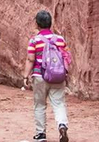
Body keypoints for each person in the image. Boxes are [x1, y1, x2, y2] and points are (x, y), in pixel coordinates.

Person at [23, 10, 71, 142]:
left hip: (40, 76)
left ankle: (41, 134)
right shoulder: (60, 39)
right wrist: (65, 73)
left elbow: (30, 59)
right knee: (59, 103)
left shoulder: (34, 40)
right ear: (50, 23)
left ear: (37, 24)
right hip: (58, 76)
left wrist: (26, 76)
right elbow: (66, 57)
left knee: (39, 105)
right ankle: (62, 125)